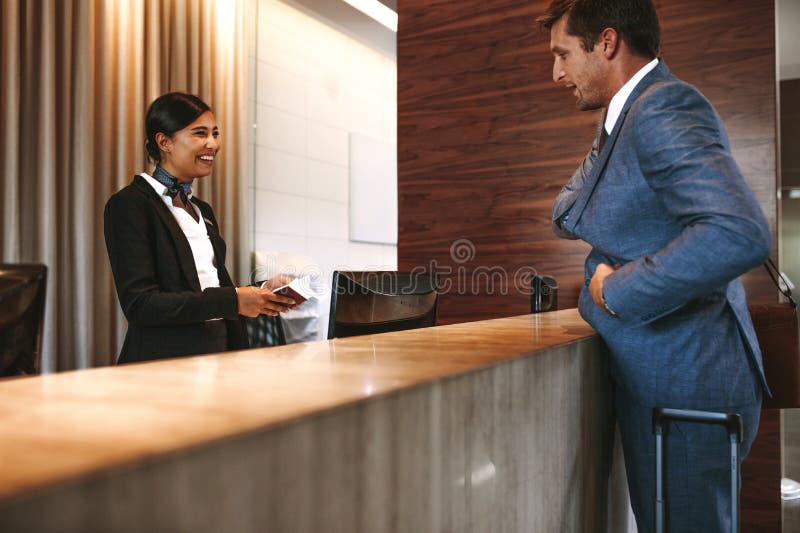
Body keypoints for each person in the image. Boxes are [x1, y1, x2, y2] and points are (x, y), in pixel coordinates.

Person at [536, 1, 771, 531]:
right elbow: (563, 215)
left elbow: (737, 232)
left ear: (608, 42)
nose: (556, 73)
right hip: (669, 383)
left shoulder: (662, 108)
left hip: (685, 391)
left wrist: (615, 288)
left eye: (562, 54)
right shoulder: (623, 117)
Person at [104, 92, 294, 363]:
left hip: (222, 354)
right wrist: (234, 300)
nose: (213, 144)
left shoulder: (202, 210)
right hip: (165, 365)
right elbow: (141, 305)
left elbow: (205, 286)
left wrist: (261, 292)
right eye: (200, 133)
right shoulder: (129, 204)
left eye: (215, 134)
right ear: (164, 142)